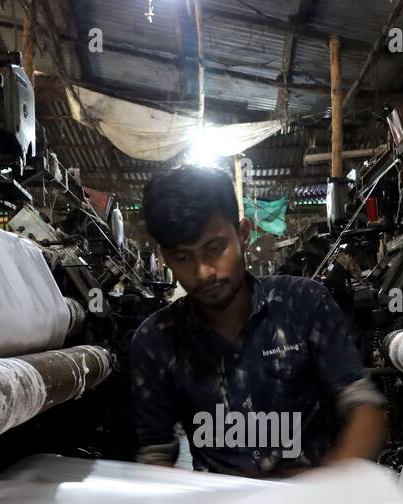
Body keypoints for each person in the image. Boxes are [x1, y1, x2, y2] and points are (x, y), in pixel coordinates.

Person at [130, 165, 386, 477]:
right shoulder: (157, 340)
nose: (203, 272)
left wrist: (329, 492)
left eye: (215, 248)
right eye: (183, 257)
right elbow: (156, 453)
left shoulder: (302, 304)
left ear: (242, 234)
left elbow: (364, 408)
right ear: (165, 258)